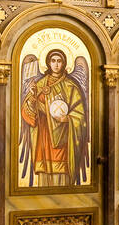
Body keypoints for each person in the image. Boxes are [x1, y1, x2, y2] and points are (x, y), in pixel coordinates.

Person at [18, 48, 89, 186]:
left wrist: (68, 119)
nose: (56, 64)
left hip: (63, 136)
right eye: (53, 61)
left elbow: (80, 115)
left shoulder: (71, 86)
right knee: (45, 174)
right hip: (43, 137)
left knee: (61, 176)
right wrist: (32, 97)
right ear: (48, 63)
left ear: (64, 63)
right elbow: (27, 113)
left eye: (59, 61)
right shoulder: (39, 84)